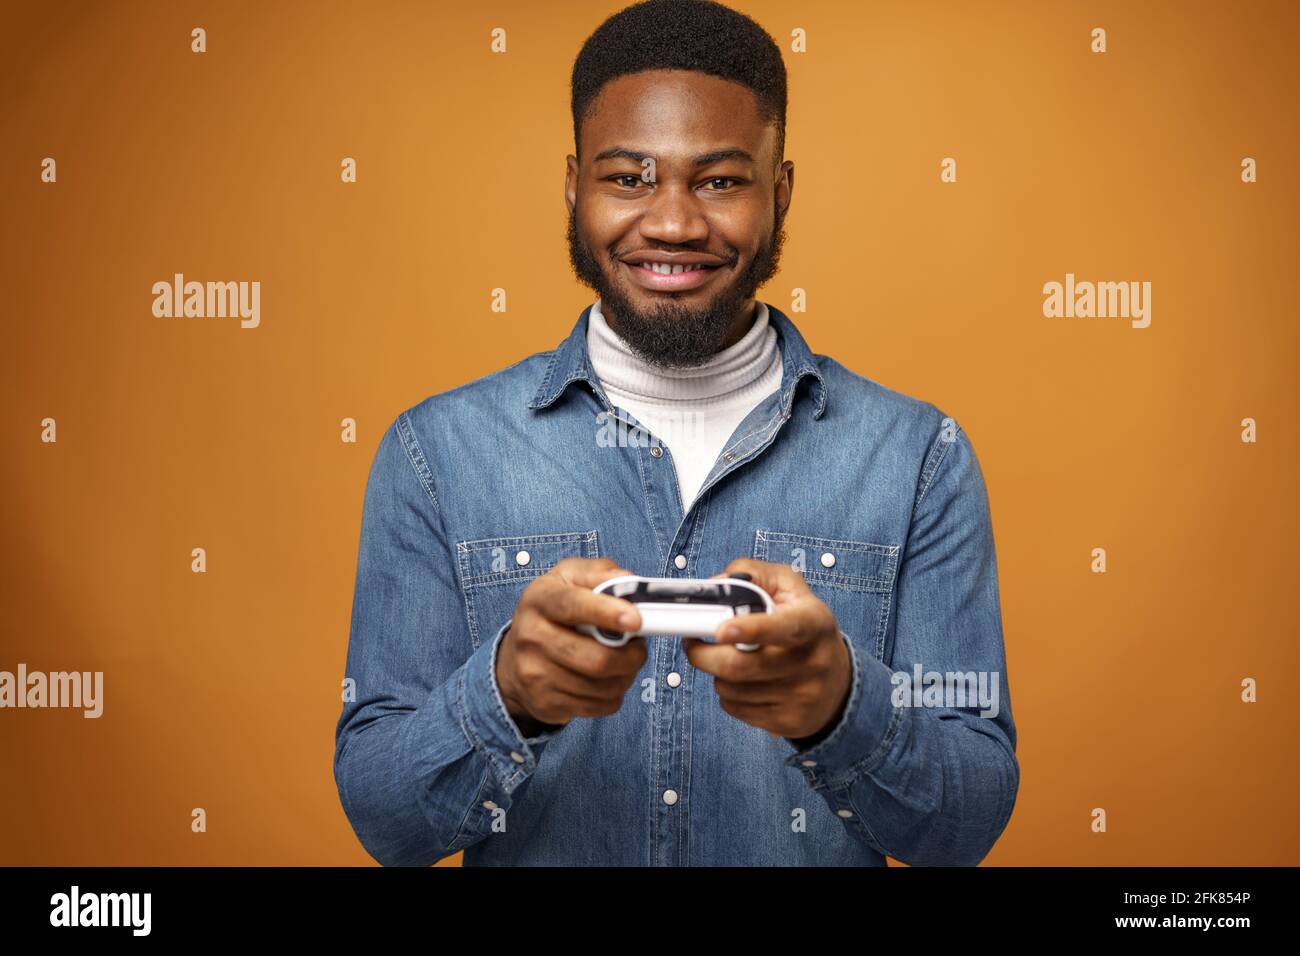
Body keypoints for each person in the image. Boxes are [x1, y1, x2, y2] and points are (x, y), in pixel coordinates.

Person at [334, 0, 1018, 866]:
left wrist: (843, 705)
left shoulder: (918, 456)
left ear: (781, 191)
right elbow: (386, 822)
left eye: (720, 180)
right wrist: (503, 692)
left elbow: (967, 826)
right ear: (574, 184)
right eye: (628, 178)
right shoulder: (436, 452)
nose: (672, 224)